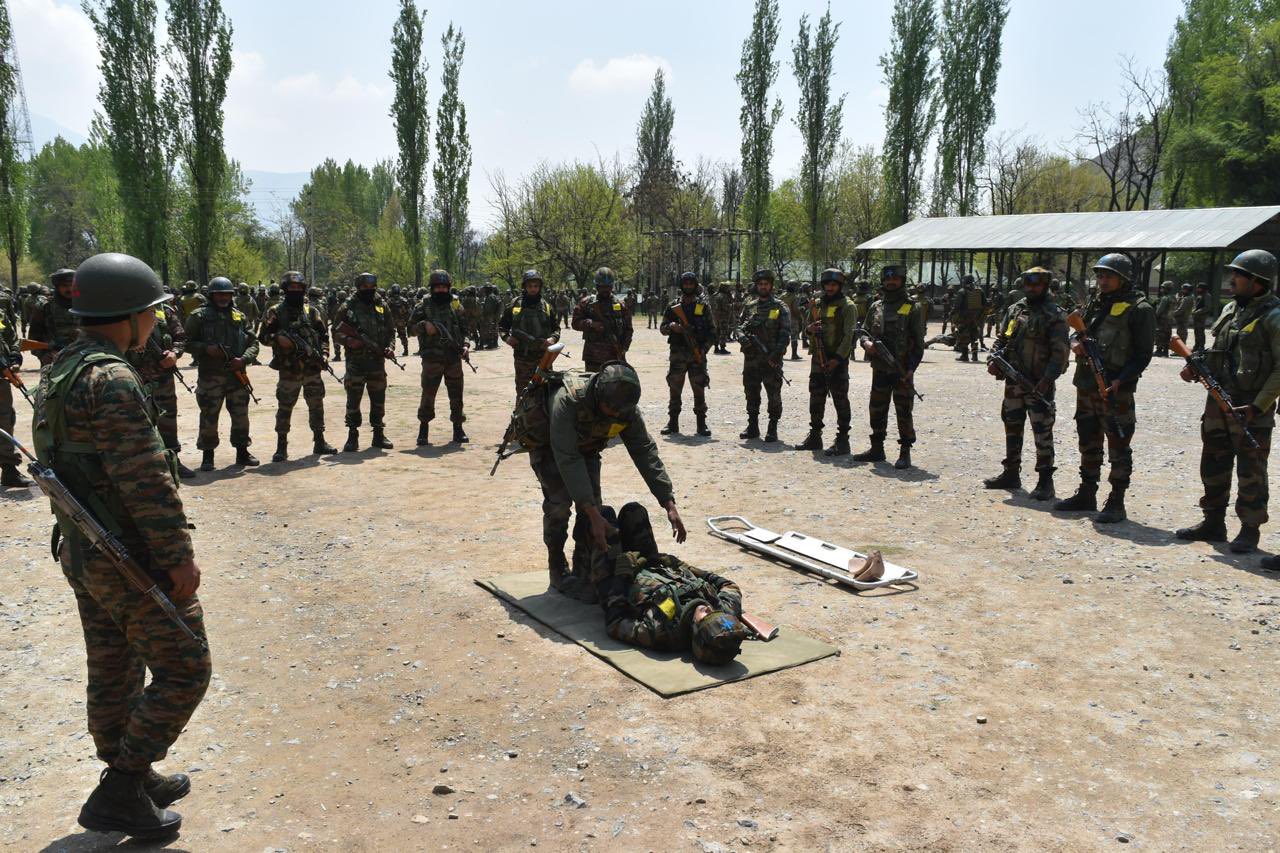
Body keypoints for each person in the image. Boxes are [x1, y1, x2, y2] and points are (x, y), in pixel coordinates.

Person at [32, 252, 210, 838]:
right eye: (151, 314)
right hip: (127, 555)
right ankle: (121, 788)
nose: (156, 324)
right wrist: (177, 556)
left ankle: (130, 771)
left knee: (114, 665)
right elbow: (145, 478)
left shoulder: (62, 368)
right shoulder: (111, 378)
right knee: (186, 665)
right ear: (129, 315)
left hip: (85, 551)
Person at [504, 360, 686, 593]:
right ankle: (556, 563)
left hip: (587, 446)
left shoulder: (624, 408)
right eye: (613, 411)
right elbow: (568, 458)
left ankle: (584, 566)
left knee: (594, 512)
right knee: (559, 506)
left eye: (622, 412)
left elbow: (643, 450)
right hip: (551, 447)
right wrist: (590, 509)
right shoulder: (568, 401)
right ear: (598, 397)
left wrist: (668, 502)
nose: (617, 416)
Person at [1175, 250, 1280, 554]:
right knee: (1213, 461)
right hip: (1217, 403)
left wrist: (1259, 406)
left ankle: (1249, 530)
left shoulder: (1274, 317)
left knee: (1251, 469)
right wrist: (1196, 367)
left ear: (1257, 281)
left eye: (1239, 275)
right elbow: (1219, 351)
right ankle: (1213, 521)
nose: (1231, 279)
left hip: (1251, 408)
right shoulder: (1230, 310)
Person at [578, 502, 747, 665]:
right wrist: (684, 567)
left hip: (617, 578)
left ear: (694, 629)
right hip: (653, 562)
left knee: (602, 517)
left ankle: (582, 569)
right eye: (715, 613)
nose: (709, 610)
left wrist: (622, 576)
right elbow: (729, 586)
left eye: (706, 617)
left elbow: (615, 622)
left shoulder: (660, 632)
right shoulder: (724, 612)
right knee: (635, 511)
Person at [1054, 253, 1155, 523]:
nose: (1102, 280)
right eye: (1100, 275)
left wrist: (1122, 380)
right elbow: (1079, 331)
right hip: (1087, 384)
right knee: (1088, 439)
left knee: (1118, 444)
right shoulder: (1095, 303)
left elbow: (1143, 354)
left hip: (1115, 388)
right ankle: (1087, 492)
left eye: (1108, 275)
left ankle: (1116, 501)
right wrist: (1076, 342)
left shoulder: (1140, 308)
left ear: (1123, 278)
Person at [982, 267, 1070, 500]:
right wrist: (994, 360)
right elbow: (1003, 339)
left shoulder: (1055, 314)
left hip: (1038, 383)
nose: (1032, 288)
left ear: (1046, 285)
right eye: (1029, 283)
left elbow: (1060, 353)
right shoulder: (1015, 309)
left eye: (1037, 284)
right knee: (1012, 425)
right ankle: (1011, 472)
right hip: (1013, 381)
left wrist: (1047, 380)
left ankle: (1045, 481)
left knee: (1042, 431)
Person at [184, 276, 260, 471]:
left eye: (227, 294)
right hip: (211, 377)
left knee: (241, 415)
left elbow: (253, 342)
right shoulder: (198, 316)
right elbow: (185, 343)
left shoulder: (239, 316)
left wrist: (243, 360)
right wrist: (205, 349)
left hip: (236, 376)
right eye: (219, 294)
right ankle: (208, 456)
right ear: (211, 295)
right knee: (209, 416)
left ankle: (242, 452)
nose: (223, 297)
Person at [855, 264, 926, 469]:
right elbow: (864, 332)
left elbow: (919, 343)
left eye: (895, 279)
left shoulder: (912, 307)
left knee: (903, 410)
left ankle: (905, 452)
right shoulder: (876, 306)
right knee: (877, 408)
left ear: (902, 281)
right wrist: (866, 344)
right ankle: (877, 448)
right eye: (887, 279)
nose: (891, 282)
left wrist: (911, 368)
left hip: (902, 369)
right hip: (880, 368)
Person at [260, 271, 335, 462]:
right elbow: (263, 337)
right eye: (292, 288)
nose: (296, 291)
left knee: (316, 404)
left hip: (312, 368)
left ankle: (319, 441)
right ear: (285, 290)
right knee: (285, 406)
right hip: (289, 369)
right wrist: (278, 339)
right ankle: (281, 446)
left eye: (299, 288)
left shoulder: (312, 311)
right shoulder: (275, 311)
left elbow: (324, 336)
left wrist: (325, 355)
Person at [125, 297, 195, 479]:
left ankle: (173, 461)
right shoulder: (122, 311)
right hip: (133, 378)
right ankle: (143, 466)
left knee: (168, 419)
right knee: (136, 421)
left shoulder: (165, 311)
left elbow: (180, 337)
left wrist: (175, 353)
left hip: (163, 377)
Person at [794, 268, 858, 457]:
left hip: (837, 360)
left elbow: (849, 336)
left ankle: (843, 439)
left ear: (840, 286)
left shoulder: (848, 306)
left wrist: (838, 359)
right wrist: (809, 330)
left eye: (834, 284)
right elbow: (808, 327)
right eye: (827, 284)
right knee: (816, 396)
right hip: (818, 359)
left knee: (840, 399)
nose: (830, 288)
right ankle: (815, 435)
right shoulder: (817, 304)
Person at [333, 273, 396, 452]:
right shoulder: (348, 306)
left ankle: (378, 434)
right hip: (356, 362)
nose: (369, 290)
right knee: (353, 400)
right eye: (365, 287)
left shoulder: (382, 305)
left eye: (371, 287)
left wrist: (390, 347)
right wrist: (349, 341)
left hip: (377, 362)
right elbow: (336, 333)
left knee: (378, 399)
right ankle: (353, 435)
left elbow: (391, 331)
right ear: (358, 287)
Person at [409, 270, 469, 446]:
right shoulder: (423, 305)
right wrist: (423, 325)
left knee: (456, 395)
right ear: (432, 288)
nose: (441, 290)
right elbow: (409, 329)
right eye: (438, 287)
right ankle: (423, 429)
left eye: (444, 287)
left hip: (453, 358)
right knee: (428, 394)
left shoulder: (456, 305)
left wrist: (465, 345)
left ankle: (458, 428)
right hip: (432, 359)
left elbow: (465, 329)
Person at [735, 269, 791, 443]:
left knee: (773, 393)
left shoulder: (780, 307)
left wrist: (777, 353)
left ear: (771, 286)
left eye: (766, 284)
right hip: (751, 359)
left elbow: (785, 333)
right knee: (751, 392)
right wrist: (742, 337)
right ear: (757, 286)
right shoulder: (750, 306)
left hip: (771, 358)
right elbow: (738, 327)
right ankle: (752, 426)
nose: (763, 287)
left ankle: (772, 428)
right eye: (760, 284)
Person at [659, 271, 715, 437]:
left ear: (695, 285)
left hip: (696, 354)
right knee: (675, 388)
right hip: (677, 354)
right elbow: (662, 328)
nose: (688, 286)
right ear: (681, 286)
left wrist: (703, 350)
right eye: (686, 284)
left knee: (699, 388)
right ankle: (673, 423)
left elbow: (712, 332)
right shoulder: (673, 306)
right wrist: (672, 327)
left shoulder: (703, 307)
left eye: (691, 284)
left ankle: (701, 423)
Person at [500, 269, 561, 393]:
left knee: (546, 391)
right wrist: (507, 338)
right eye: (530, 286)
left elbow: (556, 329)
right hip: (522, 358)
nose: (533, 289)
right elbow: (502, 327)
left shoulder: (547, 306)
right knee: (523, 393)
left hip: (543, 358)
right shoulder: (514, 305)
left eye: (536, 286)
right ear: (524, 287)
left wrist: (553, 339)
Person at [571, 267, 632, 371]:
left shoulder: (620, 305)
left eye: (608, 287)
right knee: (593, 385)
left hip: (615, 356)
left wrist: (624, 348)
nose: (605, 290)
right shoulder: (587, 303)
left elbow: (628, 329)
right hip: (593, 357)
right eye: (602, 287)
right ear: (597, 286)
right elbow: (575, 323)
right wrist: (591, 324)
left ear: (612, 286)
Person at [0, 297, 31, 486]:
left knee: (4, 419)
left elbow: (10, 336)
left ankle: (9, 469)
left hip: (2, 376)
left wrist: (13, 357)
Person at [28, 268, 80, 366]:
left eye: (71, 285)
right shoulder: (44, 307)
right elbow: (34, 337)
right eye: (64, 286)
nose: (69, 289)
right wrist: (43, 355)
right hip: (53, 360)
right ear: (57, 287)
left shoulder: (84, 305)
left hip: (81, 357)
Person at [951, 274, 985, 361]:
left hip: (964, 318)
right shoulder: (980, 291)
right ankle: (975, 355)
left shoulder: (962, 291)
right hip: (976, 317)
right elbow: (985, 304)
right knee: (974, 336)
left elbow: (957, 306)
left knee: (963, 336)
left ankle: (964, 355)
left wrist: (952, 314)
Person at [387, 284, 412, 357]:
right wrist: (408, 321)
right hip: (401, 321)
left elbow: (386, 312)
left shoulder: (389, 301)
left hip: (391, 321)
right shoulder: (404, 300)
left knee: (391, 336)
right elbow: (409, 311)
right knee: (403, 335)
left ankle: (391, 350)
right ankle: (406, 349)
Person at [1154, 281, 1176, 357]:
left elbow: (1159, 310)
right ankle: (1165, 351)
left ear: (1166, 289)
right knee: (1167, 335)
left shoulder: (1165, 298)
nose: (1161, 289)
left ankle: (1159, 350)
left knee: (1160, 334)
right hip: (1169, 319)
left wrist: (1155, 316)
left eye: (1163, 288)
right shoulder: (1173, 297)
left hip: (1162, 320)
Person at [1191, 282, 1212, 353]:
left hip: (1201, 317)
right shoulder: (1200, 296)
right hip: (1197, 317)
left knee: (1200, 332)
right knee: (1196, 331)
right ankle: (1196, 346)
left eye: (1198, 288)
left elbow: (1207, 307)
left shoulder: (1207, 296)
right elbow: (1196, 306)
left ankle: (1201, 346)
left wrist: (1198, 311)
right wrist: (1194, 311)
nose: (1197, 289)